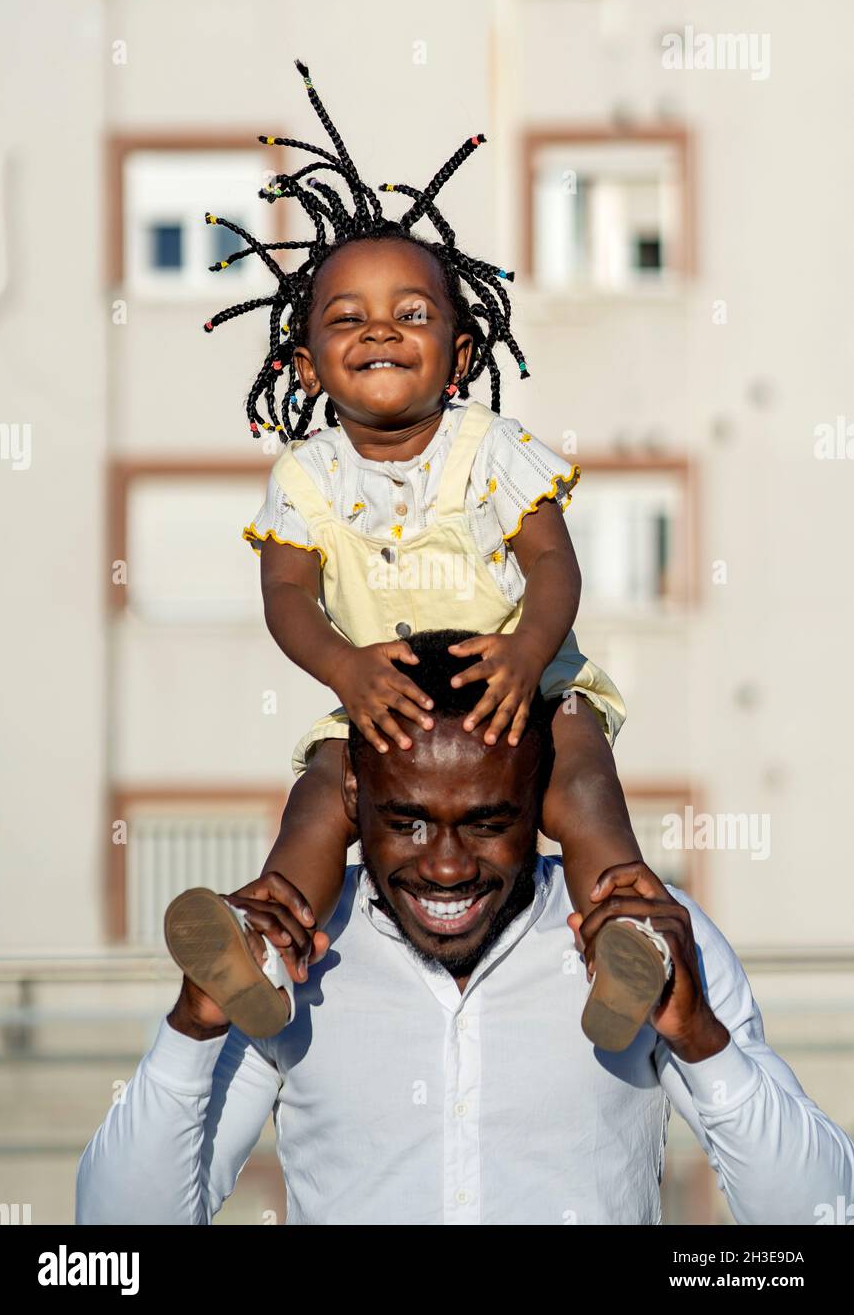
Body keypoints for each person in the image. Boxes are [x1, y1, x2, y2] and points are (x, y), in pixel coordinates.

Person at [164, 58, 666, 1053]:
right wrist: (345, 670)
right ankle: (266, 943)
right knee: (320, 790)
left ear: (462, 352)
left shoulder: (492, 448)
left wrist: (527, 655)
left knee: (580, 772)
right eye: (346, 318)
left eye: (411, 313)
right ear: (303, 361)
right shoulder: (301, 478)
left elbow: (555, 565)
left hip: (517, 687)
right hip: (382, 693)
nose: (379, 330)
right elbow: (288, 597)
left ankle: (625, 932)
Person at [81, 631, 854, 1226]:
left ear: (544, 805)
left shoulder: (649, 941)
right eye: (407, 822)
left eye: (486, 823)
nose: (446, 867)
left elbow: (821, 1215)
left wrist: (699, 1039)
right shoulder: (286, 957)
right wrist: (191, 1029)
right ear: (353, 801)